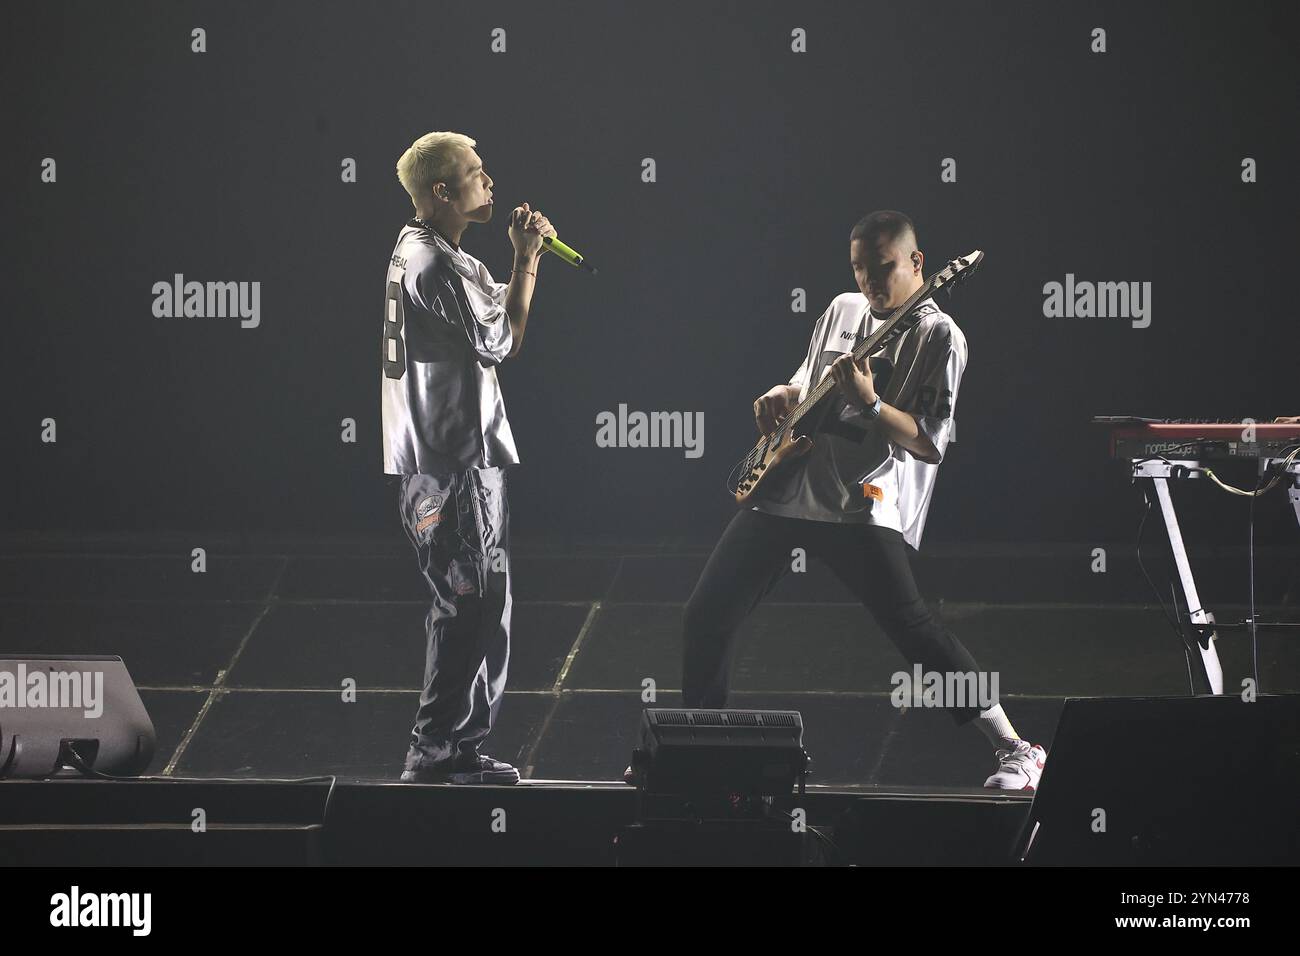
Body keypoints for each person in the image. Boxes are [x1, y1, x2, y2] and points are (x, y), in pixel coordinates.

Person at [669, 210, 1046, 790]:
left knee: (915, 631)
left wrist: (870, 403)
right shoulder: (843, 309)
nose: (870, 282)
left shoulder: (939, 334)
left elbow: (926, 442)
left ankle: (1018, 749)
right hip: (787, 489)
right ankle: (698, 755)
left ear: (919, 263)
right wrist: (779, 393)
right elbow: (804, 381)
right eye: (860, 269)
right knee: (706, 616)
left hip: (860, 502)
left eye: (883, 268)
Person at [383, 131, 555, 784]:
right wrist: (528, 260)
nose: (490, 182)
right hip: (455, 468)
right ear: (442, 193)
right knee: (472, 605)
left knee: (475, 604)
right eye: (475, 174)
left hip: (435, 465)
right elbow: (504, 341)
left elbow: (482, 312)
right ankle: (434, 755)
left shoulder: (415, 250)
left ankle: (453, 751)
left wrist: (510, 263)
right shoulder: (439, 266)